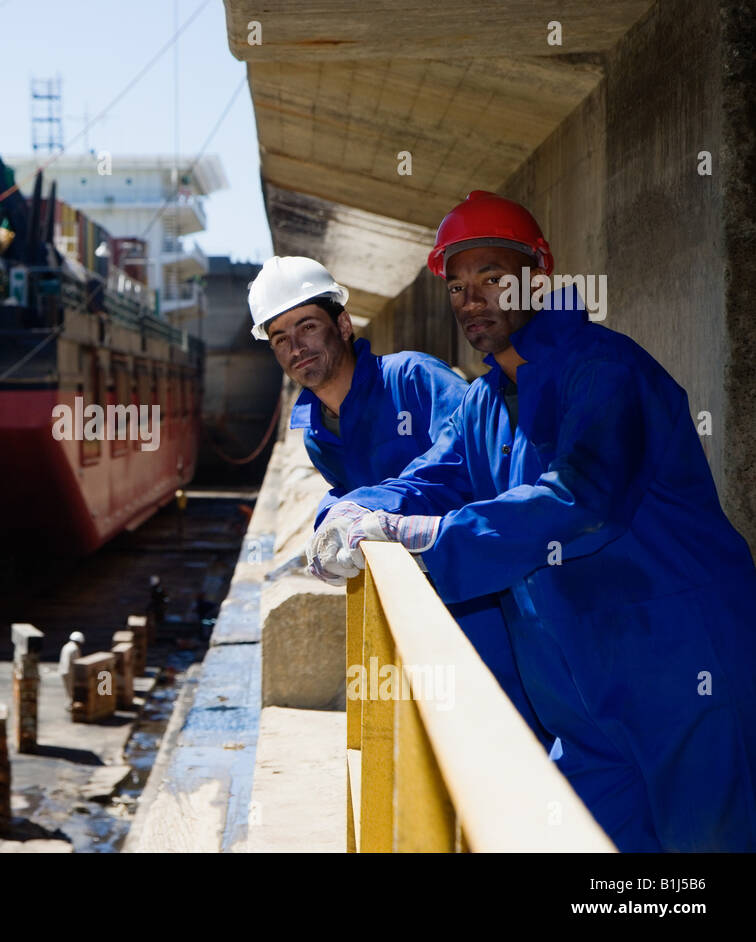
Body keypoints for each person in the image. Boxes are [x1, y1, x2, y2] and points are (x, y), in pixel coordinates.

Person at [314, 190, 756, 851]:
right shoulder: (488, 400)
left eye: (492, 279)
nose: (472, 302)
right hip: (581, 702)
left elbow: (581, 498)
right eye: (459, 287)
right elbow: (432, 479)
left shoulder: (604, 369)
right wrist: (351, 512)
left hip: (684, 672)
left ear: (538, 277)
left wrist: (433, 539)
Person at [251, 256, 546, 746]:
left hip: (483, 592)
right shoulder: (318, 433)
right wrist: (335, 516)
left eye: (307, 326)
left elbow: (474, 459)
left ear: (343, 325)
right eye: (280, 338)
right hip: (413, 603)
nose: (296, 346)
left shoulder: (412, 378)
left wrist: (388, 515)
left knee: (512, 731)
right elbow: (345, 496)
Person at [58, 631, 85, 710]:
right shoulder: (74, 649)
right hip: (70, 671)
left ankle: (69, 704)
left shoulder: (66, 646)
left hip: (63, 670)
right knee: (72, 690)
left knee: (68, 689)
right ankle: (70, 705)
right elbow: (77, 662)